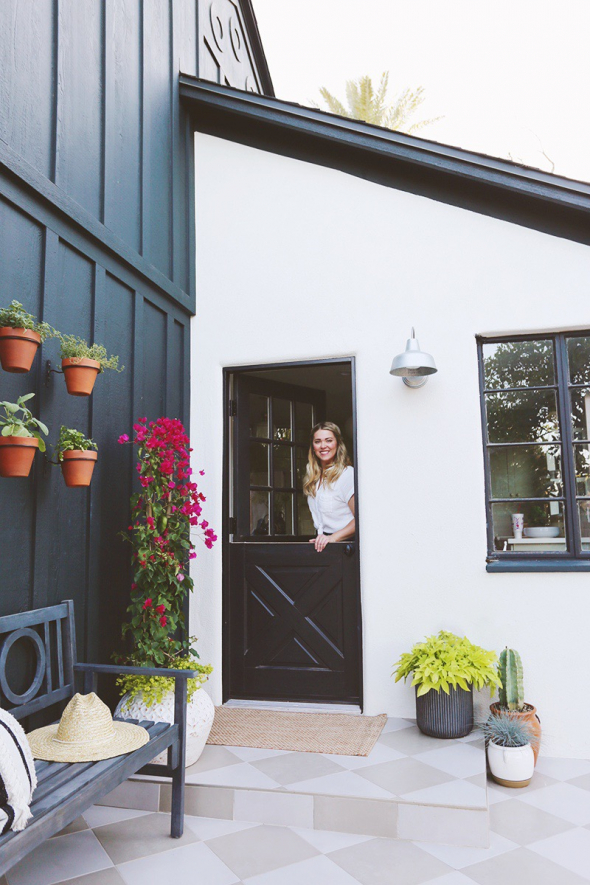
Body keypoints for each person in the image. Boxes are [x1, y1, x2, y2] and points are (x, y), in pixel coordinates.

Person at [303, 421, 355, 552]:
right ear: (313, 447)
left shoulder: (346, 475)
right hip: (325, 546)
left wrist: (333, 538)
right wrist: (324, 538)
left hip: (347, 548)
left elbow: (361, 519)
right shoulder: (314, 478)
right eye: (318, 441)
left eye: (329, 440)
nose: (323, 446)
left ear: (338, 444)